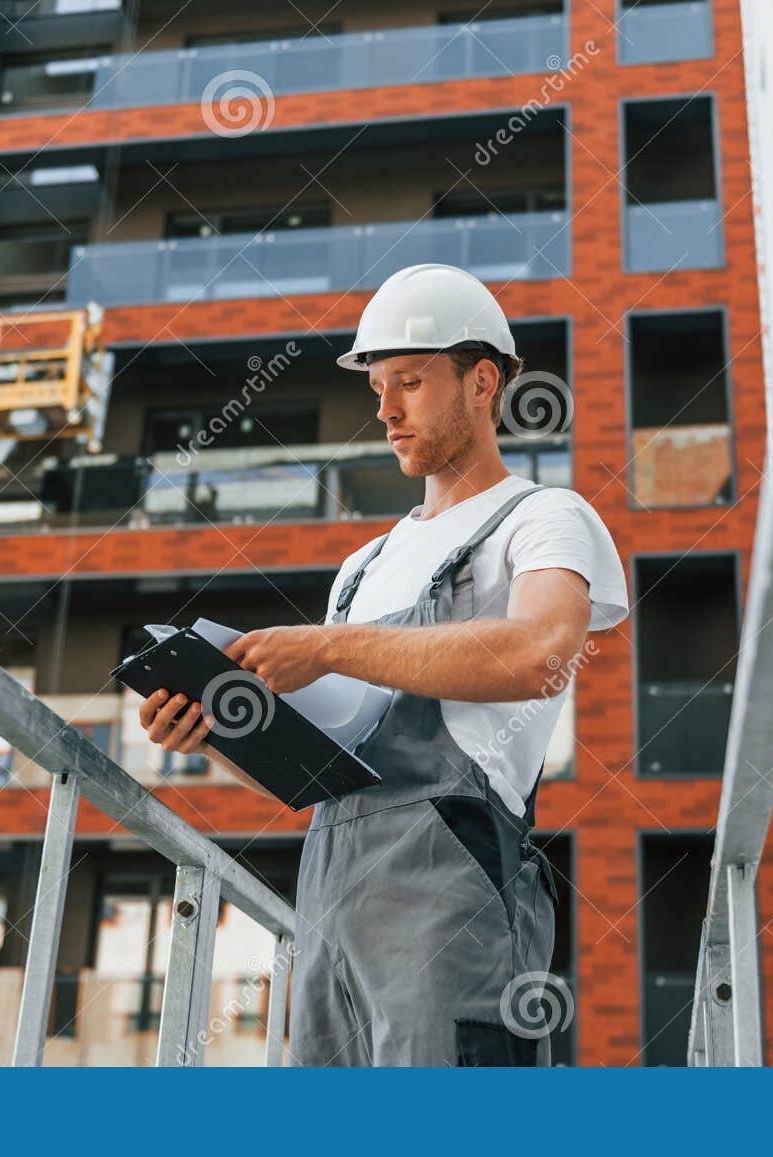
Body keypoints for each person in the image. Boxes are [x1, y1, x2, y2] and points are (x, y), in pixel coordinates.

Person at [139, 263, 628, 1065]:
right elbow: (313, 781)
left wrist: (328, 645)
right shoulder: (364, 565)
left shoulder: (543, 517)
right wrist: (210, 736)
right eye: (378, 389)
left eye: (410, 382)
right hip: (330, 908)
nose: (387, 411)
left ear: (480, 381)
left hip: (452, 898)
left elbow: (540, 651)